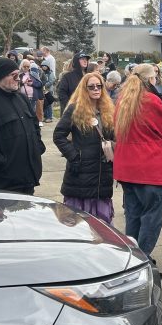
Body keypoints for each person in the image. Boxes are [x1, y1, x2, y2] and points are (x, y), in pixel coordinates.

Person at [113, 64, 162, 257]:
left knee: (133, 214)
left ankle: (132, 255)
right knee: (151, 216)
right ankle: (143, 256)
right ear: (150, 79)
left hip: (126, 167)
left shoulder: (123, 99)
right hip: (149, 167)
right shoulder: (151, 100)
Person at [0, 57, 45, 194]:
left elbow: (34, 125)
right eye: (13, 75)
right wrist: (1, 163)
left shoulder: (21, 99)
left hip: (28, 177)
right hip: (4, 182)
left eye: (18, 75)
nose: (18, 79)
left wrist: (37, 147)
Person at [53, 72, 115, 224]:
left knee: (101, 227)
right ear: (84, 89)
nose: (96, 89)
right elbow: (59, 135)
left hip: (103, 174)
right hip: (81, 175)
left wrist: (113, 147)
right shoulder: (75, 109)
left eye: (99, 86)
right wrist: (74, 156)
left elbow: (115, 136)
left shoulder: (108, 109)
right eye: (91, 86)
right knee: (79, 223)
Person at [39, 46, 56, 122]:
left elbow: (51, 80)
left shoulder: (50, 73)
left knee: (49, 104)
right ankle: (46, 116)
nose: (44, 67)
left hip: (49, 90)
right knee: (45, 104)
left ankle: (50, 117)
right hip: (43, 91)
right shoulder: (42, 73)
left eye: (45, 66)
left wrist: (44, 85)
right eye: (43, 66)